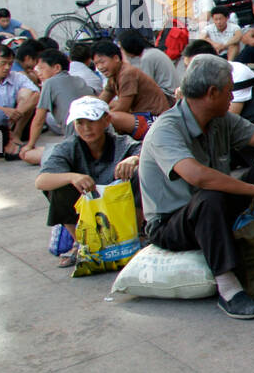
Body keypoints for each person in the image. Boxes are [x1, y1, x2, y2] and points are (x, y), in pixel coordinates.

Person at [138, 54, 254, 320]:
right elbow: (198, 177)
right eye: (229, 90)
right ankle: (229, 287)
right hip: (172, 222)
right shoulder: (166, 129)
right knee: (209, 197)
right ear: (212, 93)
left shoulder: (220, 118)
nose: (232, 97)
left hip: (215, 203)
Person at [34, 96, 142, 267]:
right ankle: (80, 243)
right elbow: (41, 181)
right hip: (85, 216)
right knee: (58, 185)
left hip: (119, 211)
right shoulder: (69, 147)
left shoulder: (121, 143)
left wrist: (134, 159)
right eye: (80, 123)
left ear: (106, 120)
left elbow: (147, 152)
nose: (86, 129)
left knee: (141, 172)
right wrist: (72, 177)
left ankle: (134, 235)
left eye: (92, 121)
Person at [18, 49, 97, 165]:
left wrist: (30, 145)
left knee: (28, 155)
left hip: (78, 144)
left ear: (57, 68)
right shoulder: (79, 80)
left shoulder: (50, 83)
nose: (38, 73)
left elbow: (39, 119)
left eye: (42, 68)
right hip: (98, 138)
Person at [91, 39, 174, 139]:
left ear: (116, 58)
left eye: (102, 62)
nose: (100, 67)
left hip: (155, 120)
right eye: (96, 64)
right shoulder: (113, 76)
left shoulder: (127, 73)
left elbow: (123, 108)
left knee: (111, 118)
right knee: (106, 108)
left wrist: (97, 121)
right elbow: (100, 102)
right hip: (141, 116)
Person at [118, 28, 177, 94]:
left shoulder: (147, 57)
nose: (121, 52)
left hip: (168, 94)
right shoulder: (149, 52)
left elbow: (145, 86)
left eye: (122, 48)